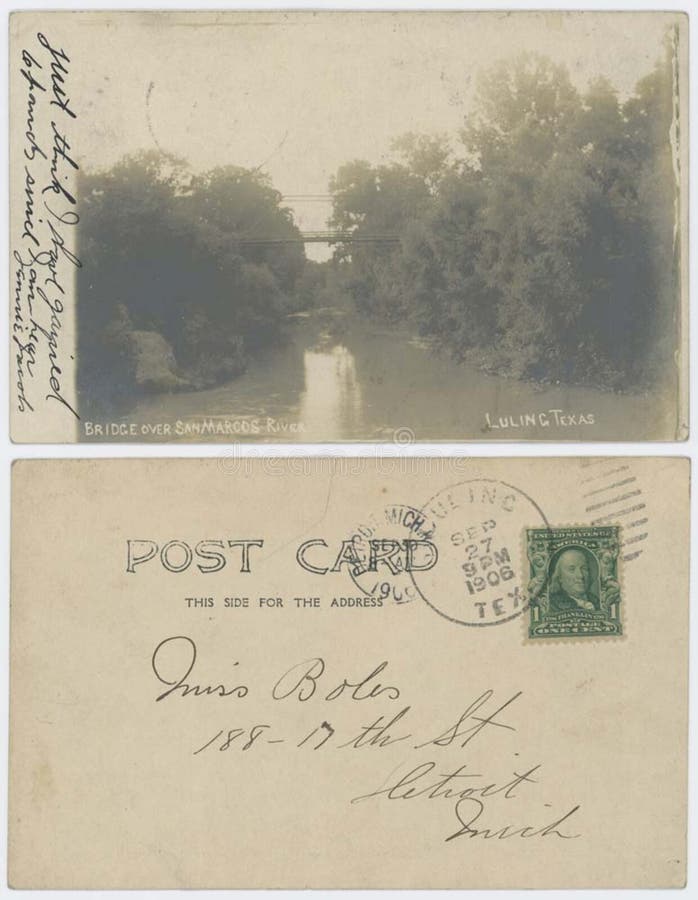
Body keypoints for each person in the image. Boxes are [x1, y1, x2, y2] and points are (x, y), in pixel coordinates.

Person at [548, 547, 599, 613]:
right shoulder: (553, 604)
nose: (580, 575)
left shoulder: (596, 601)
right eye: (572, 569)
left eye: (584, 568)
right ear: (560, 577)